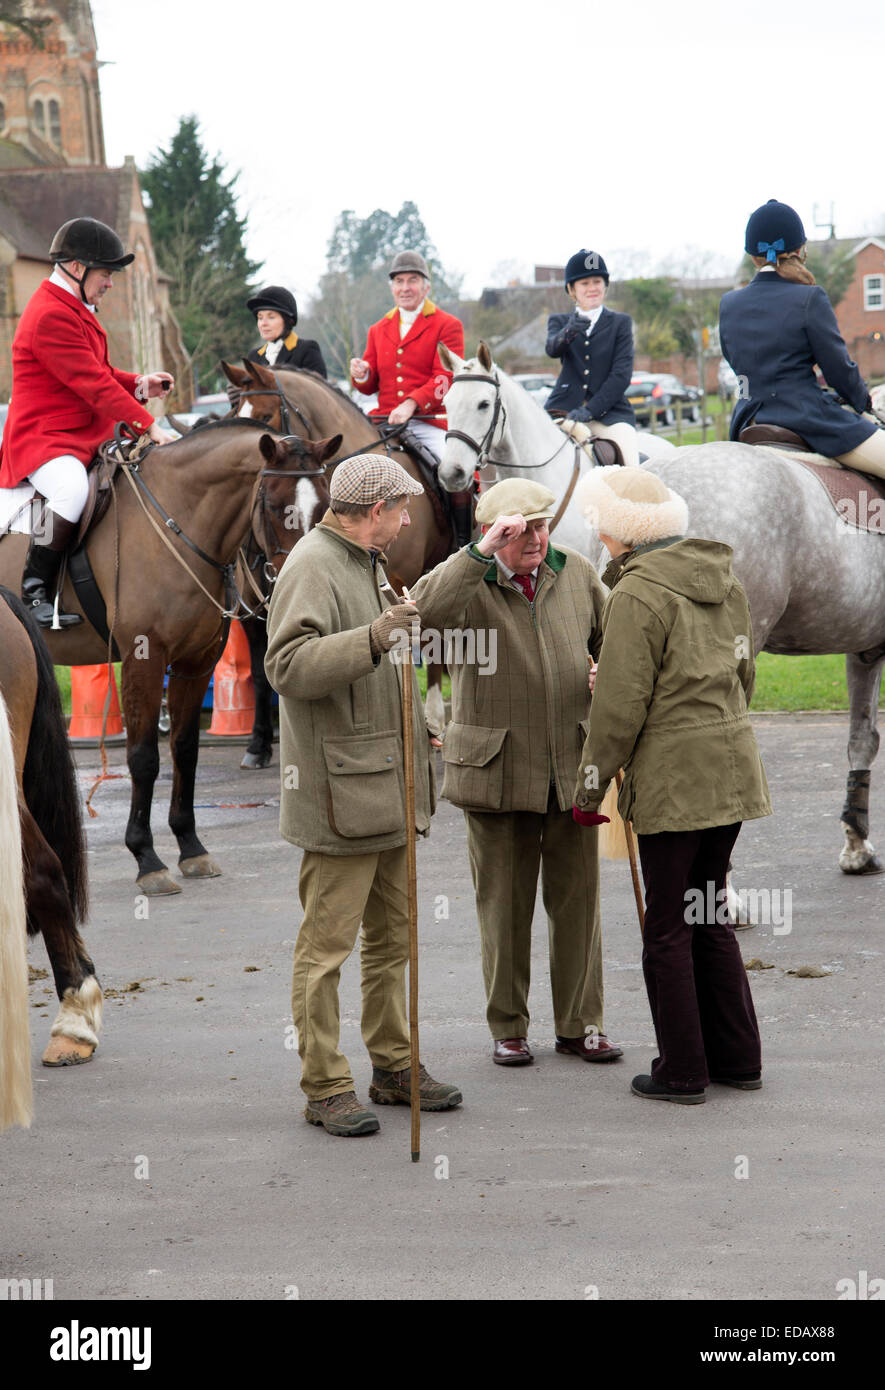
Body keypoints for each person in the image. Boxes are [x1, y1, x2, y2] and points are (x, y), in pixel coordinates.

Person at [264, 453, 462, 1137]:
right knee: (325, 954)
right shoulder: (313, 565)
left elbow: (380, 666)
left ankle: (394, 1066)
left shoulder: (366, 562)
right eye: (401, 508)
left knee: (391, 944)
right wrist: (375, 636)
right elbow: (286, 667)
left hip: (389, 787)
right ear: (373, 511)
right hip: (340, 798)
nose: (409, 519)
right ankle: (324, 1086)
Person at [573, 466, 772, 1104]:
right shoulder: (723, 580)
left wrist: (587, 787)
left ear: (618, 530)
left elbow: (619, 711)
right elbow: (742, 675)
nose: (597, 533)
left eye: (600, 521)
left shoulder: (636, 594)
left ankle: (682, 1071)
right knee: (708, 913)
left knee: (666, 927)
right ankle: (737, 1059)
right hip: (731, 766)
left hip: (674, 781)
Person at [411, 477, 623, 1068]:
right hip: (495, 770)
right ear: (491, 533)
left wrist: (609, 671)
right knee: (502, 910)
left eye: (540, 524)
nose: (533, 538)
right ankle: (508, 1026)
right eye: (517, 529)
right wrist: (477, 556)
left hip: (572, 767)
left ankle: (582, 1024)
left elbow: (617, 643)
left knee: (579, 905)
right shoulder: (467, 581)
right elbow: (417, 620)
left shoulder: (577, 571)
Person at [0, 217, 175, 627]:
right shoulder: (49, 315)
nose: (110, 282)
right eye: (106, 273)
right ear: (76, 268)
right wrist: (148, 424)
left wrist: (140, 385)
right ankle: (33, 588)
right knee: (71, 489)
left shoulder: (72, 307)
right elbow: (93, 384)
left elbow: (100, 372)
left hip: (79, 434)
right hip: (44, 439)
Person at [719, 199, 885, 474]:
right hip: (808, 419)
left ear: (753, 255)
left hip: (748, 421)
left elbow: (738, 364)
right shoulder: (809, 297)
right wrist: (862, 401)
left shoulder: (728, 303)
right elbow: (837, 370)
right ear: (800, 250)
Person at [350, 250, 472, 545]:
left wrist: (412, 403)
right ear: (391, 288)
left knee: (453, 470)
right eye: (399, 281)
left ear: (426, 287)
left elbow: (446, 377)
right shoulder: (378, 329)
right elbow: (369, 386)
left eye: (413, 281)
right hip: (384, 420)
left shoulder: (447, 324)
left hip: (428, 421)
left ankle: (463, 541)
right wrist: (363, 373)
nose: (405, 287)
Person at [545, 249, 639, 467]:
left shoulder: (620, 323)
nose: (592, 288)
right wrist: (569, 331)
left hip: (610, 414)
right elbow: (552, 349)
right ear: (572, 289)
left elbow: (621, 375)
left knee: (631, 464)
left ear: (605, 286)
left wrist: (590, 410)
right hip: (563, 409)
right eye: (584, 283)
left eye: (597, 281)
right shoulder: (559, 321)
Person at [246, 285, 327, 376]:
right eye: (260, 318)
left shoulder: (307, 350)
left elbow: (318, 388)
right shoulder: (254, 356)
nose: (263, 323)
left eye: (271, 317)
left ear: (288, 321)